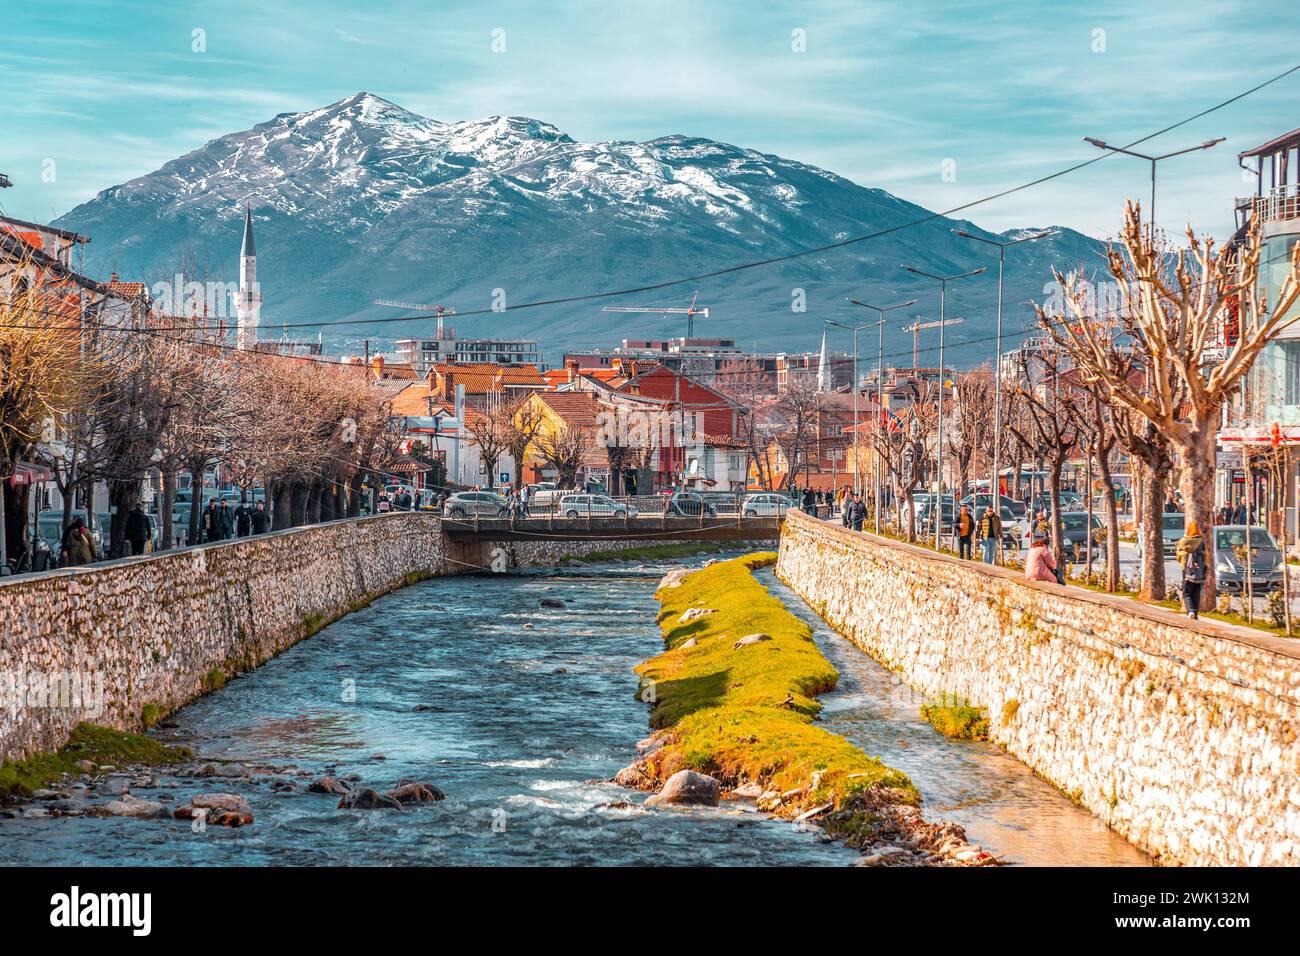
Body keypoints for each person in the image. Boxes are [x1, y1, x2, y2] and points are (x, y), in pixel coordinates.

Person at [1176, 520, 1207, 620]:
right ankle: (1195, 614)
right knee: (1196, 591)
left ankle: (1191, 611)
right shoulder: (1201, 542)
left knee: (1186, 592)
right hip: (1199, 571)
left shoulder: (1183, 541)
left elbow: (1179, 556)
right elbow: (1205, 556)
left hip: (1186, 570)